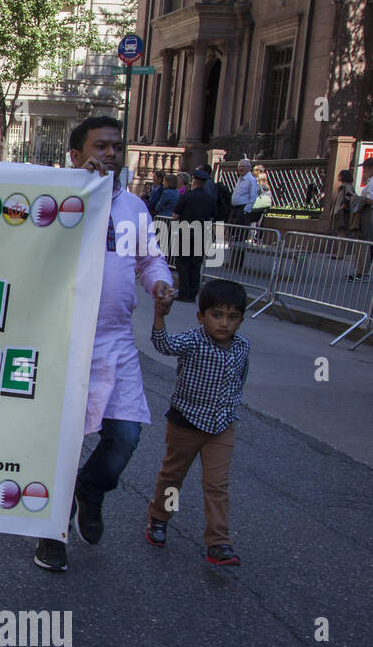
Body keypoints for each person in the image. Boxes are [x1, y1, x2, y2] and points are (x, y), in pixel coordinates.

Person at [33, 116, 175, 573]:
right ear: (76, 155)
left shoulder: (135, 208)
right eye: (102, 146)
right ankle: (51, 534)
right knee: (63, 444)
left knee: (125, 436)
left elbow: (150, 257)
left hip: (115, 342)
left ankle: (90, 491)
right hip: (62, 343)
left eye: (118, 147)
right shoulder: (52, 200)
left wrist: (159, 284)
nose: (112, 154)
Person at [143, 279, 250, 566]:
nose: (224, 323)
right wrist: (160, 315)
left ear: (241, 319)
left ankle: (219, 542)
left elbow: (240, 379)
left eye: (232, 317)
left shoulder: (242, 347)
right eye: (217, 315)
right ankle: (159, 518)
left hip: (221, 426)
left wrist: (229, 408)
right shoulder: (193, 340)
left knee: (217, 484)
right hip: (186, 423)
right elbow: (163, 344)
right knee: (173, 476)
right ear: (201, 317)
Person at [170, 167, 217, 301]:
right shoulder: (210, 199)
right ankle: (193, 293)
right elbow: (212, 218)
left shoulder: (186, 196)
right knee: (195, 265)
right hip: (201, 234)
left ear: (194, 181)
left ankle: (184, 292)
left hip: (185, 232)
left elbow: (175, 215)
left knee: (183, 264)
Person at [228, 158, 258, 227]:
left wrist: (246, 210)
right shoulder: (240, 178)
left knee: (239, 231)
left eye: (243, 167)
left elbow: (253, 196)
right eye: (239, 166)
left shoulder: (251, 180)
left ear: (249, 168)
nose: (240, 168)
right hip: (234, 209)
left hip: (242, 209)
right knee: (231, 229)